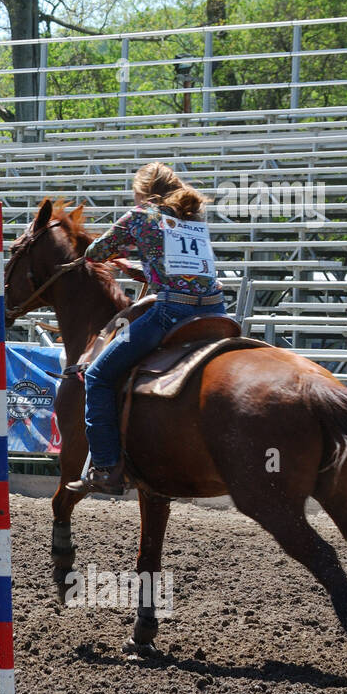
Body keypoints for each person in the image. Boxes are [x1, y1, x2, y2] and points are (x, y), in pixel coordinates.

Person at [69, 162, 227, 495]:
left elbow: (94, 252)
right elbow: (178, 262)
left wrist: (125, 260)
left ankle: (107, 467)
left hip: (172, 311)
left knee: (97, 376)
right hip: (215, 309)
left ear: (142, 191)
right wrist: (147, 268)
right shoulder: (192, 216)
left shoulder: (140, 216)